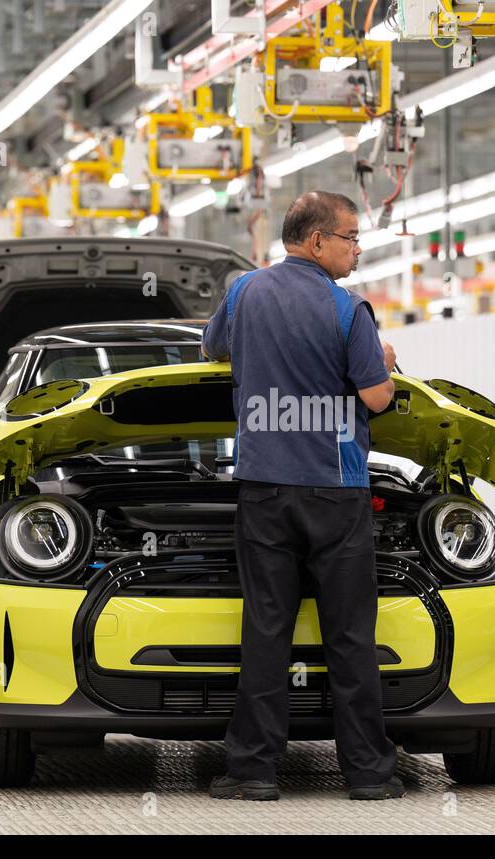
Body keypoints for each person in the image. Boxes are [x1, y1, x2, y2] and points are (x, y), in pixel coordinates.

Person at [200, 190, 403, 800]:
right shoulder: (348, 310)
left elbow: (213, 349)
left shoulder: (242, 292)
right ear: (317, 240)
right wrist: (382, 362)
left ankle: (253, 772)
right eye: (350, 238)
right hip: (336, 494)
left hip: (264, 492)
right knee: (349, 636)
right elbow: (376, 399)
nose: (357, 250)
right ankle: (368, 775)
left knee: (266, 631)